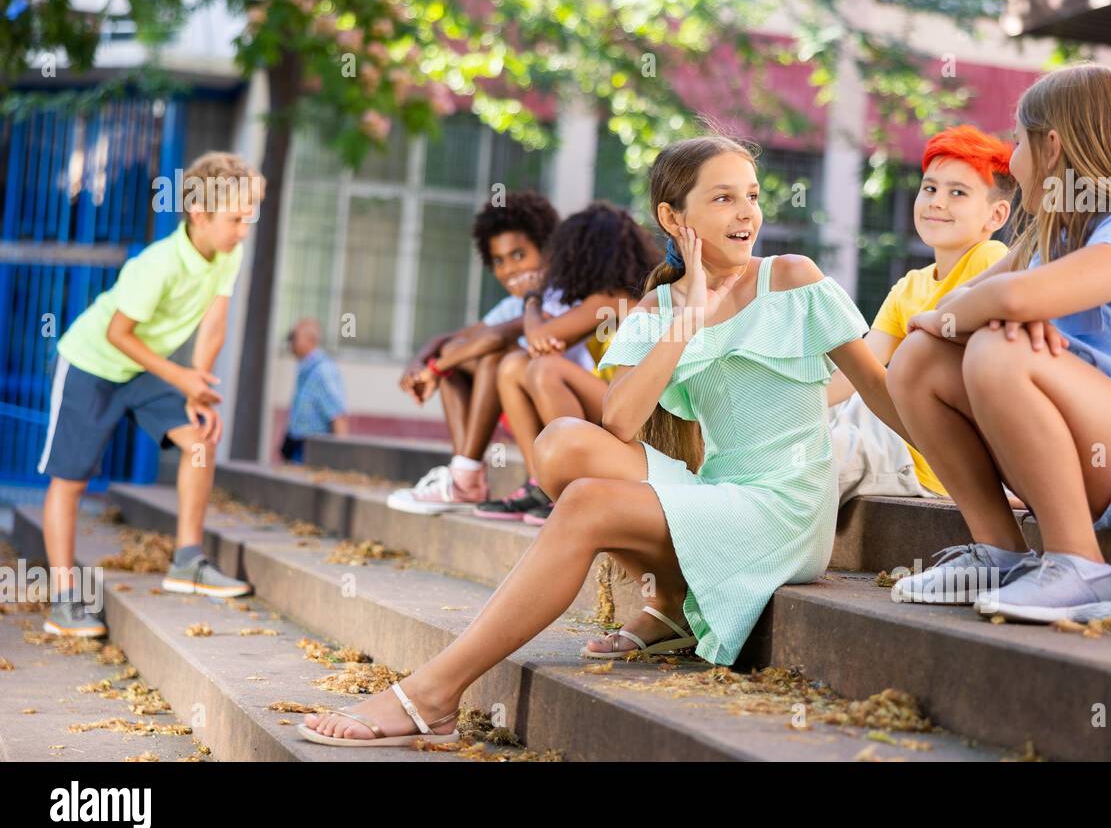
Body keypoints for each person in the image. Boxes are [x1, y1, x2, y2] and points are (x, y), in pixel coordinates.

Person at [298, 132, 906, 746]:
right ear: (674, 217)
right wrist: (687, 320)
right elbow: (616, 423)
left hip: (785, 509)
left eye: (751, 195)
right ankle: (670, 598)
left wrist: (979, 478)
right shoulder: (660, 306)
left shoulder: (792, 279)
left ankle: (433, 693)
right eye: (722, 198)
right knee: (562, 442)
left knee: (586, 501)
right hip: (723, 490)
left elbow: (878, 390)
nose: (746, 212)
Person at [887, 63, 1111, 621]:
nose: (1011, 159)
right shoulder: (1055, 236)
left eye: (1016, 141)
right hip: (1108, 437)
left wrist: (1005, 313)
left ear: (1051, 146)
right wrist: (992, 312)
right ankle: (1000, 556)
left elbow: (1005, 301)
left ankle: (1081, 570)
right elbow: (944, 314)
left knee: (998, 350)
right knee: (918, 362)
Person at [39, 151, 262, 637]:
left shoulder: (228, 253)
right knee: (70, 480)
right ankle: (63, 600)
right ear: (200, 216)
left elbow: (215, 324)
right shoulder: (156, 265)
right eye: (236, 219)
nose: (244, 229)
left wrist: (197, 388)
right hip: (93, 363)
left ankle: (187, 560)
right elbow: (119, 333)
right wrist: (181, 379)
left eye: (250, 217)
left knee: (199, 441)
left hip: (146, 367)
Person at [825, 125, 1012, 503]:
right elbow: (861, 370)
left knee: (807, 459)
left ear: (995, 216)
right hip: (880, 423)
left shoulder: (991, 260)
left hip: (920, 454)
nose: (937, 202)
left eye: (957, 192)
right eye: (930, 188)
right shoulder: (909, 286)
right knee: (785, 430)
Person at [386, 191, 593, 513]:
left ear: (548, 252)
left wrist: (435, 369)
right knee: (460, 352)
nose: (509, 269)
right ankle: (465, 479)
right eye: (498, 260)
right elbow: (451, 339)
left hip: (568, 415)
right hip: (526, 415)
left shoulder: (562, 297)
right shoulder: (512, 304)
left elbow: (496, 337)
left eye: (519, 254)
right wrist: (419, 361)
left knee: (494, 355)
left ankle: (466, 476)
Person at [474, 201, 660, 524]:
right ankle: (542, 484)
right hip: (625, 413)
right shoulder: (615, 298)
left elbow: (539, 341)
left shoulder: (610, 297)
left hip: (645, 424)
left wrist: (532, 298)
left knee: (544, 368)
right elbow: (542, 343)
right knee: (514, 366)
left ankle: (566, 485)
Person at [280, 318, 348, 463]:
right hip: (298, 447)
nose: (290, 343)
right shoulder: (305, 368)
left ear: (310, 339)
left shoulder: (323, 370)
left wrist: (342, 459)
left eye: (294, 337)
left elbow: (338, 416)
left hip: (314, 450)